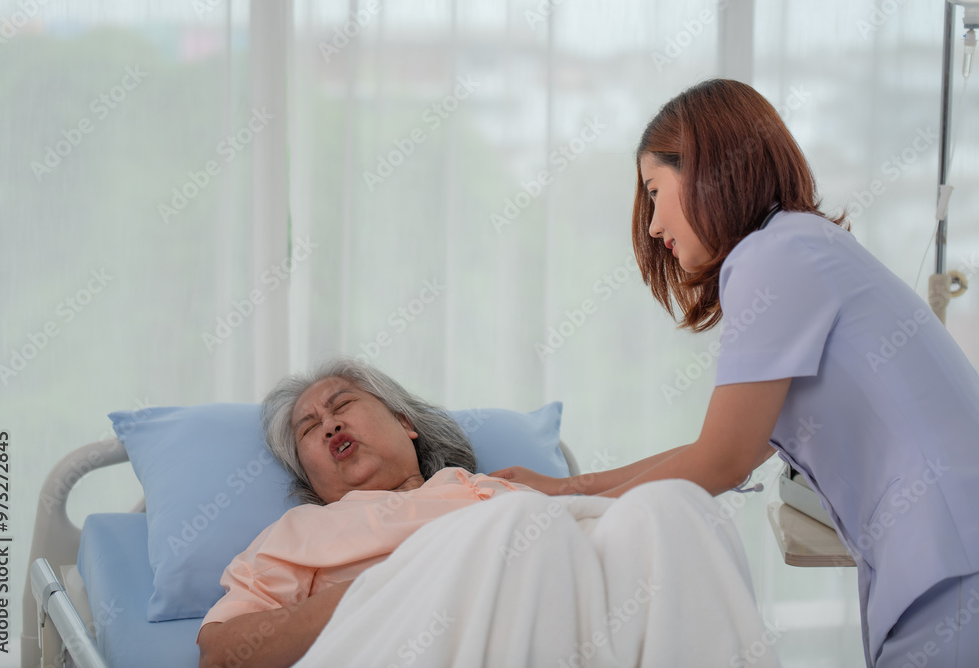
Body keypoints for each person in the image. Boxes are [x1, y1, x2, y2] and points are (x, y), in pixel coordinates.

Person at [491, 79, 979, 668]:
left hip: (953, 560)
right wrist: (573, 487)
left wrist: (567, 513)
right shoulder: (799, 246)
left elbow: (723, 459)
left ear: (702, 169)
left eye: (653, 191)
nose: (650, 226)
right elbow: (719, 447)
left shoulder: (773, 256)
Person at [196, 357, 526, 668]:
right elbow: (221, 653)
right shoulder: (301, 530)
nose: (329, 424)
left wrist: (572, 485)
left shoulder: (475, 487)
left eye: (342, 405)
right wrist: (379, 588)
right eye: (308, 429)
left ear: (404, 422)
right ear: (308, 474)